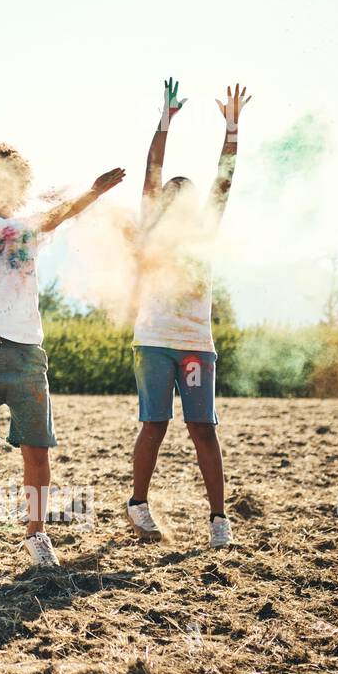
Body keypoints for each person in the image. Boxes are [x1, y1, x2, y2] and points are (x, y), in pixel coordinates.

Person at [0, 141, 124, 570]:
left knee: (37, 449)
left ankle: (36, 535)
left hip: (26, 353)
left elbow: (65, 212)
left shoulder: (32, 227)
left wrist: (93, 191)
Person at [125, 79, 249, 550]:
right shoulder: (151, 228)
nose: (177, 194)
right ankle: (138, 503)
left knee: (203, 429)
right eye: (171, 190)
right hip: (154, 341)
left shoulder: (205, 232)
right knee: (154, 424)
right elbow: (151, 168)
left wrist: (232, 127)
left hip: (197, 344)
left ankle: (219, 518)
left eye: (185, 191)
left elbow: (226, 175)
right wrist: (165, 121)